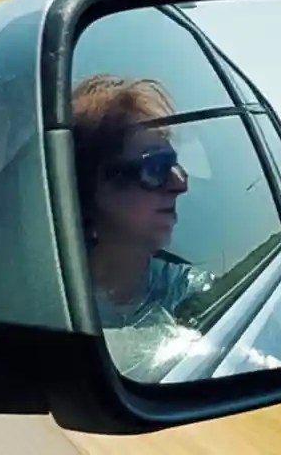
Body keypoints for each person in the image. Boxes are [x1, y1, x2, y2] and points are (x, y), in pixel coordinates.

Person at [70, 74, 216, 381]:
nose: (181, 183)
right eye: (155, 168)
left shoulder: (191, 294)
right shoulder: (51, 307)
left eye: (176, 165)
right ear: (90, 190)